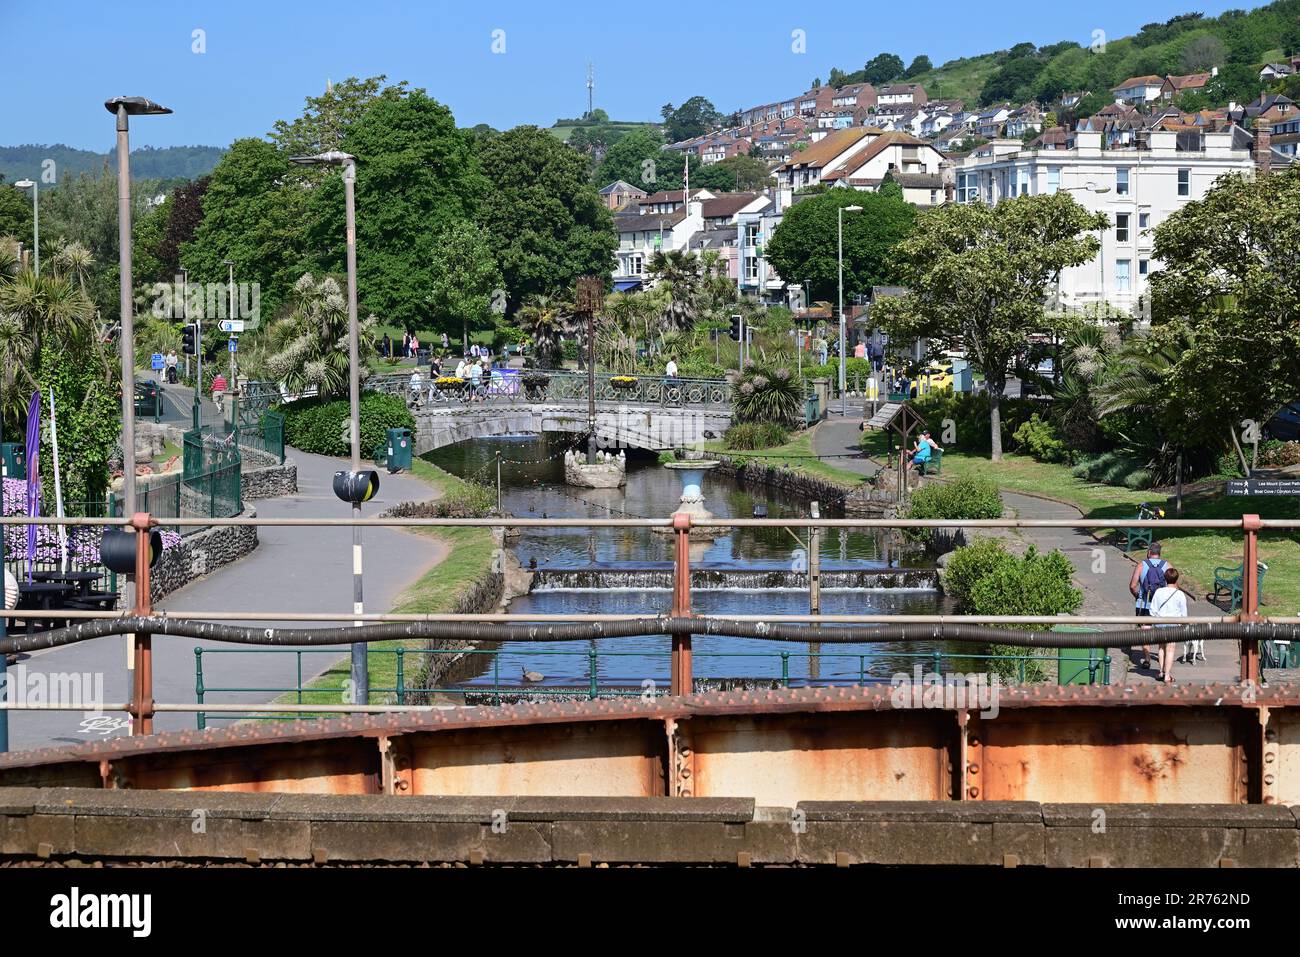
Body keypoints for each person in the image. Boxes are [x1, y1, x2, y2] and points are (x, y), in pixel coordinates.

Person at [1129, 542, 1169, 670]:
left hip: (1144, 604)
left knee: (1145, 631)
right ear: (1159, 553)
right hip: (1161, 605)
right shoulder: (1167, 565)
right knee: (1162, 631)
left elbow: (1132, 585)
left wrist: (1138, 596)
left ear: (1149, 552)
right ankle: (1161, 655)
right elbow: (1174, 586)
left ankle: (1146, 658)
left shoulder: (1142, 565)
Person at [1149, 567, 1188, 683]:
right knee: (1170, 649)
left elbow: (1153, 609)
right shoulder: (1180, 594)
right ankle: (1167, 675)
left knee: (1161, 647)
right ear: (1176, 579)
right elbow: (1183, 613)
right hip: (1173, 624)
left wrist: (1157, 618)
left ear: (1165, 579)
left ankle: (1161, 671)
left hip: (1160, 623)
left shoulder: (1159, 592)